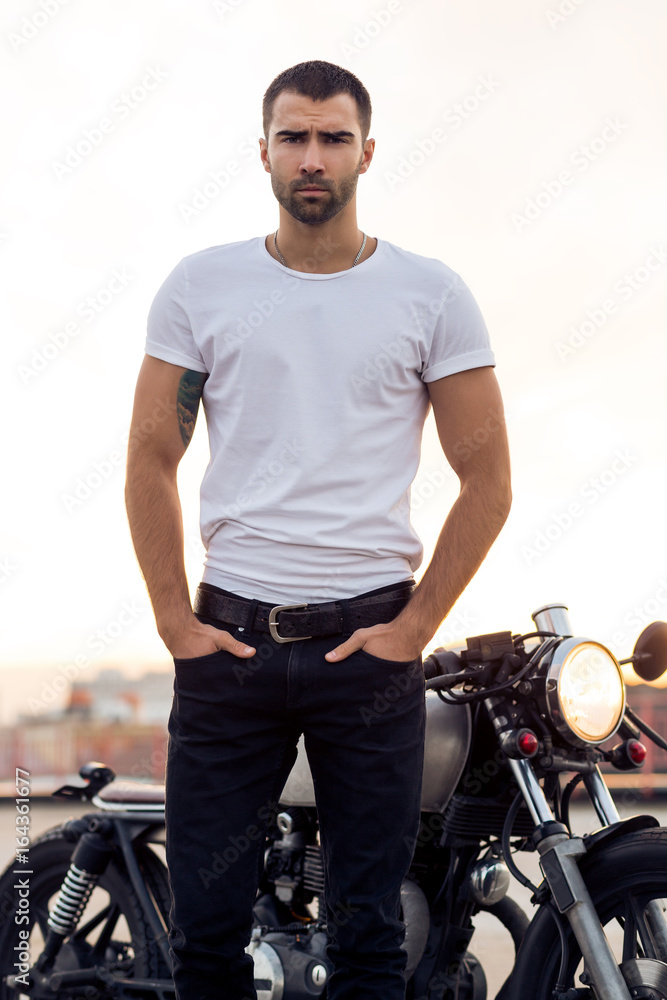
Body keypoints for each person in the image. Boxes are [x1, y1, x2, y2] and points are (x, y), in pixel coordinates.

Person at [125, 59, 511, 1000]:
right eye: (292, 137)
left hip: (369, 649)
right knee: (206, 942)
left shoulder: (430, 293)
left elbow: (488, 479)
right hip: (230, 644)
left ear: (365, 153)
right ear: (262, 152)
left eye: (332, 138)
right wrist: (177, 622)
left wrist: (411, 632)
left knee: (371, 938)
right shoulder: (201, 285)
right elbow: (147, 459)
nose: (312, 157)